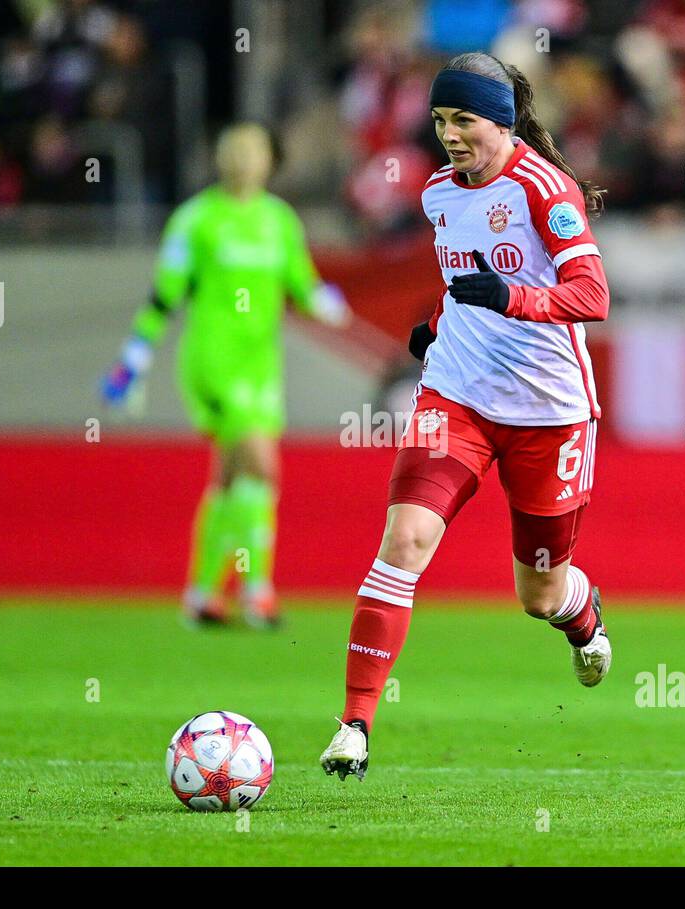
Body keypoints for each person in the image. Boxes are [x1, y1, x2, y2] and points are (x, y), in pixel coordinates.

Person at [319, 52, 612, 781]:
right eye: (441, 120)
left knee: (539, 593)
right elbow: (464, 284)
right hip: (457, 397)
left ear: (502, 121)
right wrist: (438, 327)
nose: (450, 134)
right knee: (405, 540)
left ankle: (582, 617)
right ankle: (355, 724)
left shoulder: (548, 191)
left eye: (464, 120)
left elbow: (591, 296)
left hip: (549, 414)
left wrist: (509, 300)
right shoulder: (441, 194)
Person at [101, 122, 350, 628]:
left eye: (252, 150)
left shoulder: (279, 220)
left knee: (230, 479)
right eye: (233, 150)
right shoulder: (196, 220)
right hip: (213, 361)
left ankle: (200, 594)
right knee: (261, 466)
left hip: (262, 365)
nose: (243, 159)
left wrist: (325, 302)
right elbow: (164, 295)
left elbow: (301, 283)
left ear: (267, 161)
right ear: (220, 159)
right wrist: (134, 359)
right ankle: (257, 591)